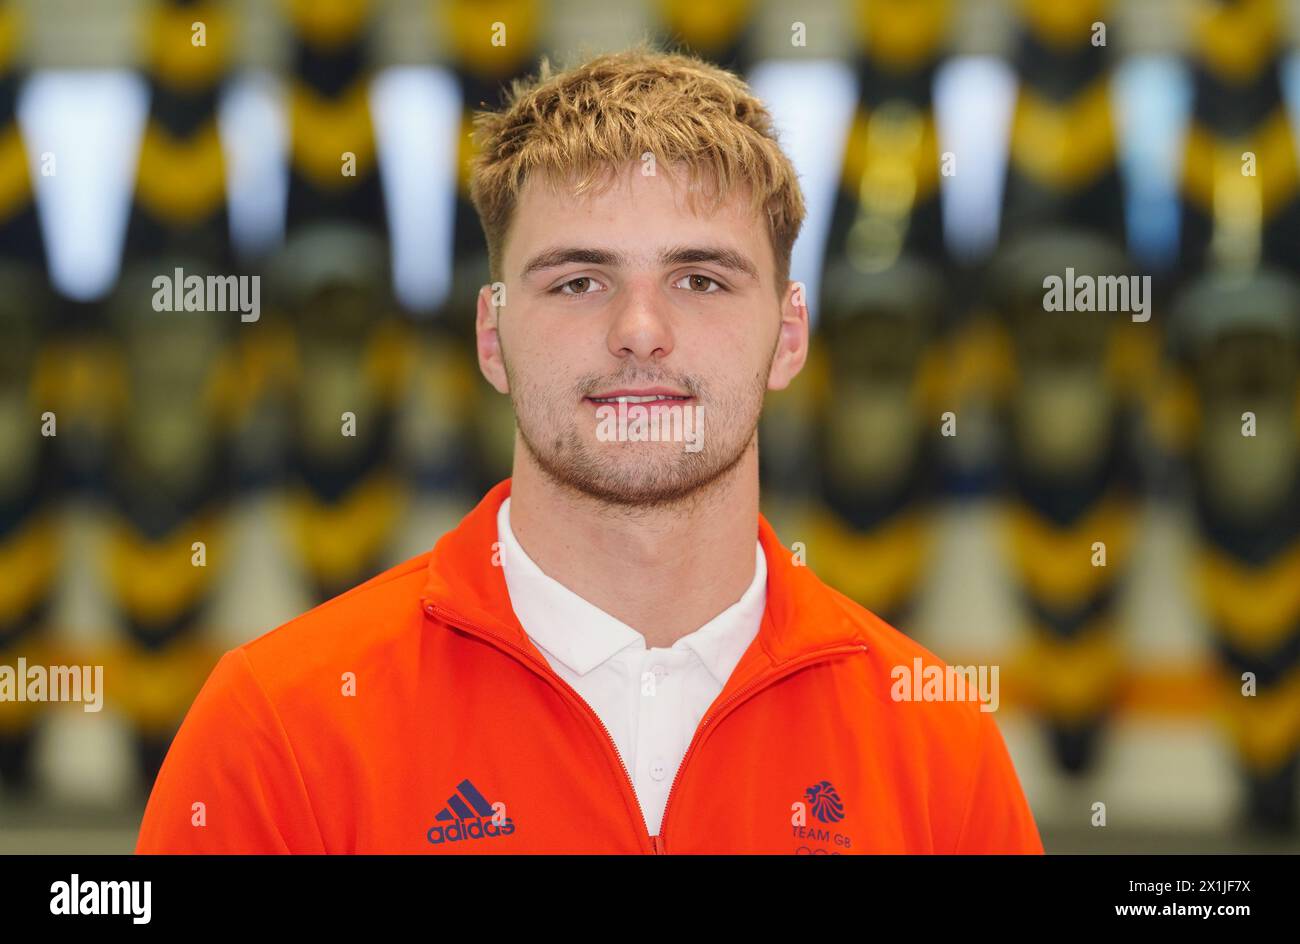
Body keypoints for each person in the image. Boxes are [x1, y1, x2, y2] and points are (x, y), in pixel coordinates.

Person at [136, 44, 1044, 854]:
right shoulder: (279, 731)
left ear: (791, 335)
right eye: (578, 281)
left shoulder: (938, 747)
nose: (640, 331)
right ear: (491, 337)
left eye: (700, 279)